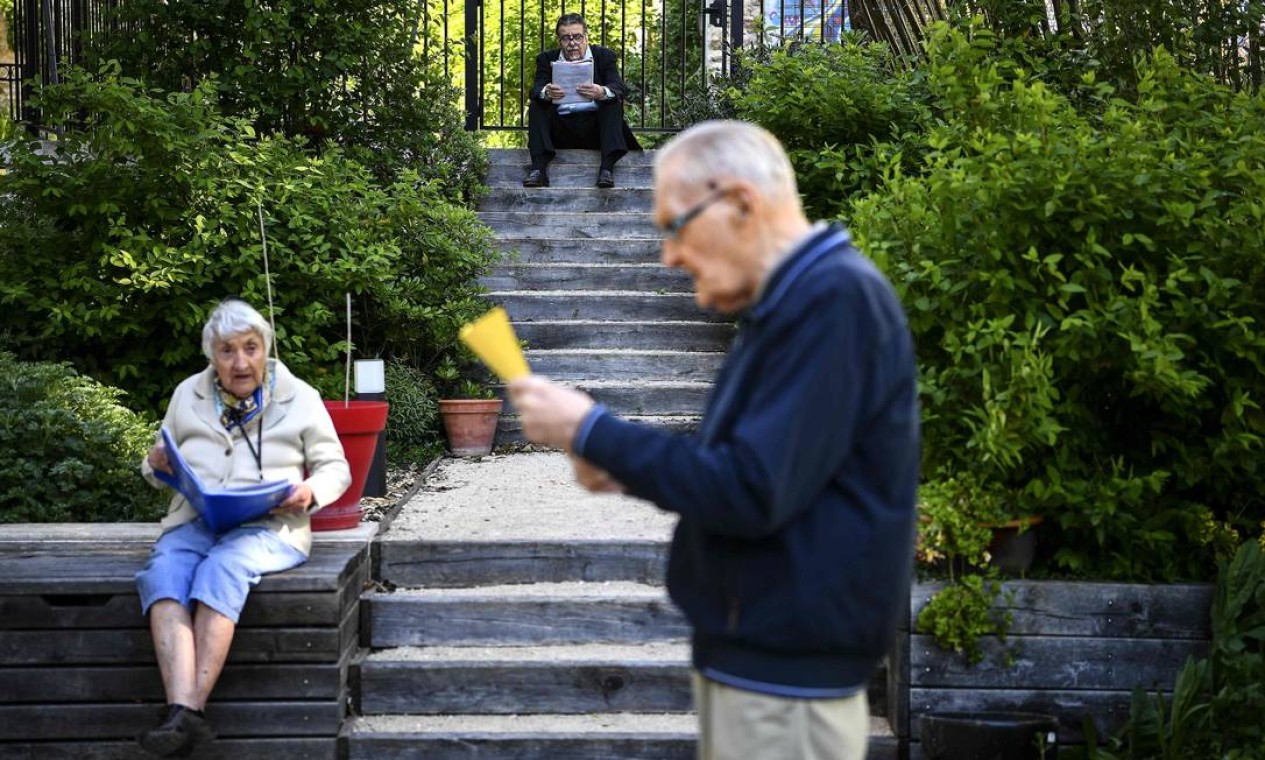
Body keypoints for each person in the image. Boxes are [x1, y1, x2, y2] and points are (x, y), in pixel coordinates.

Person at [509, 120, 920, 760]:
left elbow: (750, 488)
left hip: (787, 690)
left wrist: (590, 427)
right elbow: (747, 466)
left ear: (740, 203)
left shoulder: (833, 301)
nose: (669, 254)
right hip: (764, 672)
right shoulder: (789, 304)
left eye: (674, 226)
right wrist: (616, 463)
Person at [135, 298, 351, 757]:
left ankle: (184, 713)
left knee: (222, 568)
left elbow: (337, 469)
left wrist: (309, 492)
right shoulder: (186, 395)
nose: (240, 362)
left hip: (270, 527)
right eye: (227, 351)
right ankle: (186, 716)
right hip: (195, 522)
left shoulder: (300, 397)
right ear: (212, 357)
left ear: (265, 348)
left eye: (251, 348)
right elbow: (157, 467)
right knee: (163, 575)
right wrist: (154, 465)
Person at [524, 13, 641, 189]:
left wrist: (602, 92)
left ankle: (607, 169)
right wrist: (546, 92)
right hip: (560, 130)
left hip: (596, 130)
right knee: (536, 105)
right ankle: (539, 170)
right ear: (559, 41)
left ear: (586, 36)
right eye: (566, 38)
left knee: (612, 102)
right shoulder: (546, 59)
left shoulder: (604, 56)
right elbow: (535, 90)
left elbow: (619, 87)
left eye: (577, 37)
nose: (572, 44)